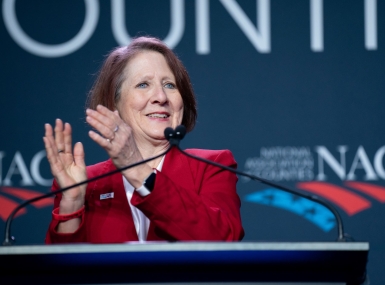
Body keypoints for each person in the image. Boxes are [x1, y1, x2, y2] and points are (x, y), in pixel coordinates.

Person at [44, 36, 244, 243]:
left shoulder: (211, 166)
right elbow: (63, 273)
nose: (161, 97)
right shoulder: (90, 183)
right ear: (115, 104)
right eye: (143, 84)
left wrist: (137, 170)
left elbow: (223, 240)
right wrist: (73, 202)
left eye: (169, 85)